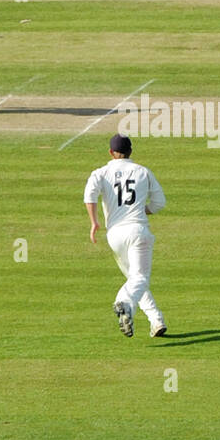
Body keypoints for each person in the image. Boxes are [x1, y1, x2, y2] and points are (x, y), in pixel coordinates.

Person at [84, 134, 167, 338]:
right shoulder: (142, 171)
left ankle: (156, 320)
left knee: (135, 278)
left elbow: (90, 195)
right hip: (138, 232)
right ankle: (124, 302)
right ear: (131, 151)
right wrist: (141, 210)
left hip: (115, 235)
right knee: (139, 278)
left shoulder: (101, 173)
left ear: (111, 153)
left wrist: (94, 222)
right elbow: (159, 203)